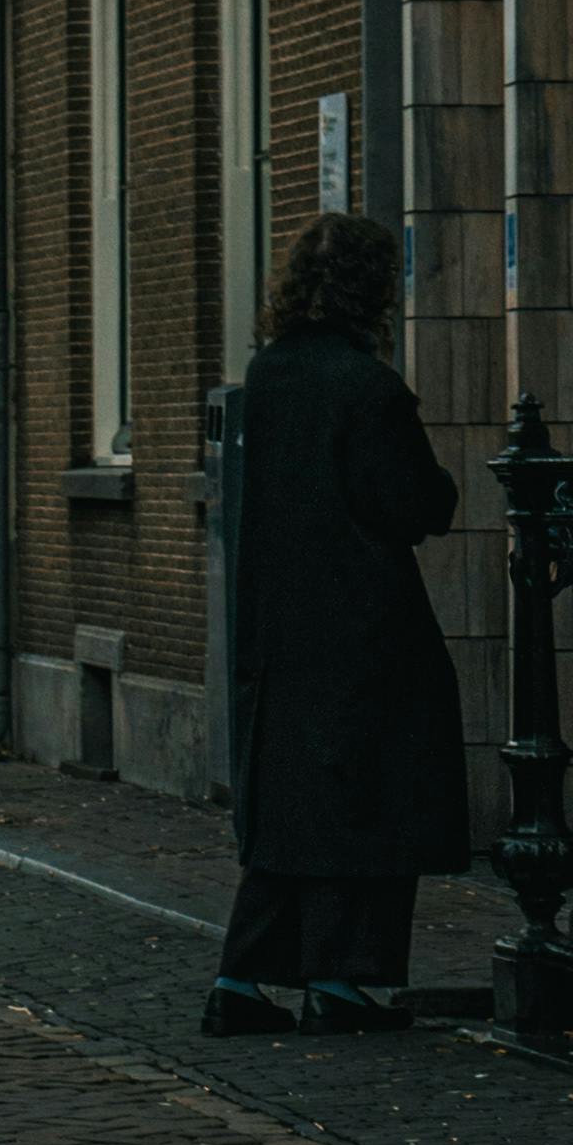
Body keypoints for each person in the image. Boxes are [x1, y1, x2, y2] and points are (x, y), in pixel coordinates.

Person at [203, 209, 467, 1036]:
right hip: (364, 624)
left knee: (291, 810)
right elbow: (414, 503)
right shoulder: (368, 387)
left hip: (278, 627)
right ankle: (343, 982)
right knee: (371, 798)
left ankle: (243, 980)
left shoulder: (267, 375)